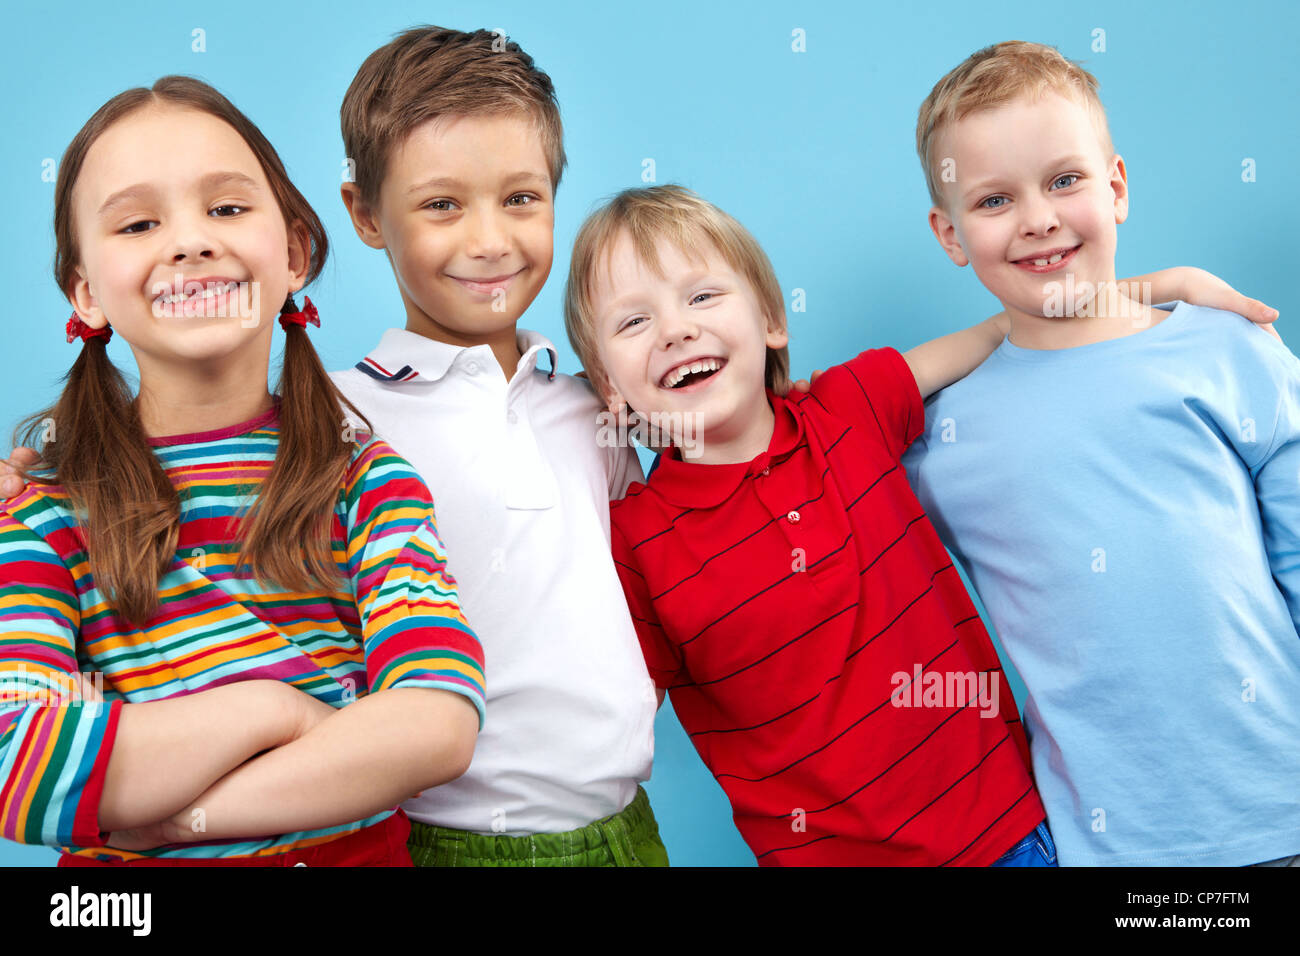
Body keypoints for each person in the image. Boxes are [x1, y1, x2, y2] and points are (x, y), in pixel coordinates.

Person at [561, 183, 1275, 865]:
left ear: (772, 321)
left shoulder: (850, 406)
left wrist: (1162, 285)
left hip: (1013, 838)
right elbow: (610, 718)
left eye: (702, 296)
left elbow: (1009, 325)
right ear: (609, 387)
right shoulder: (635, 543)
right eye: (634, 321)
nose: (677, 329)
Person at [0, 75, 484, 865]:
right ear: (86, 293)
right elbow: (20, 765)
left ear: (293, 254)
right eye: (138, 223)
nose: (190, 241)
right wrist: (275, 711)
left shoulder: (364, 482)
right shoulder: (40, 515)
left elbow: (436, 721)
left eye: (226, 208)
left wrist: (175, 819)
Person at [903, 40, 1300, 866]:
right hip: (1109, 848)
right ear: (949, 234)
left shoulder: (1229, 349)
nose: (1038, 219)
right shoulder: (940, 438)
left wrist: (1162, 289)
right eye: (994, 199)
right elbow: (808, 429)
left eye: (1064, 181)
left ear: (1115, 187)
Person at [329, 26, 665, 866]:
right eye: (442, 205)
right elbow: (191, 464)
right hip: (451, 838)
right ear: (366, 214)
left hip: (627, 826)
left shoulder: (592, 405)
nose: (490, 241)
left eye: (520, 198)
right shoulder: (334, 413)